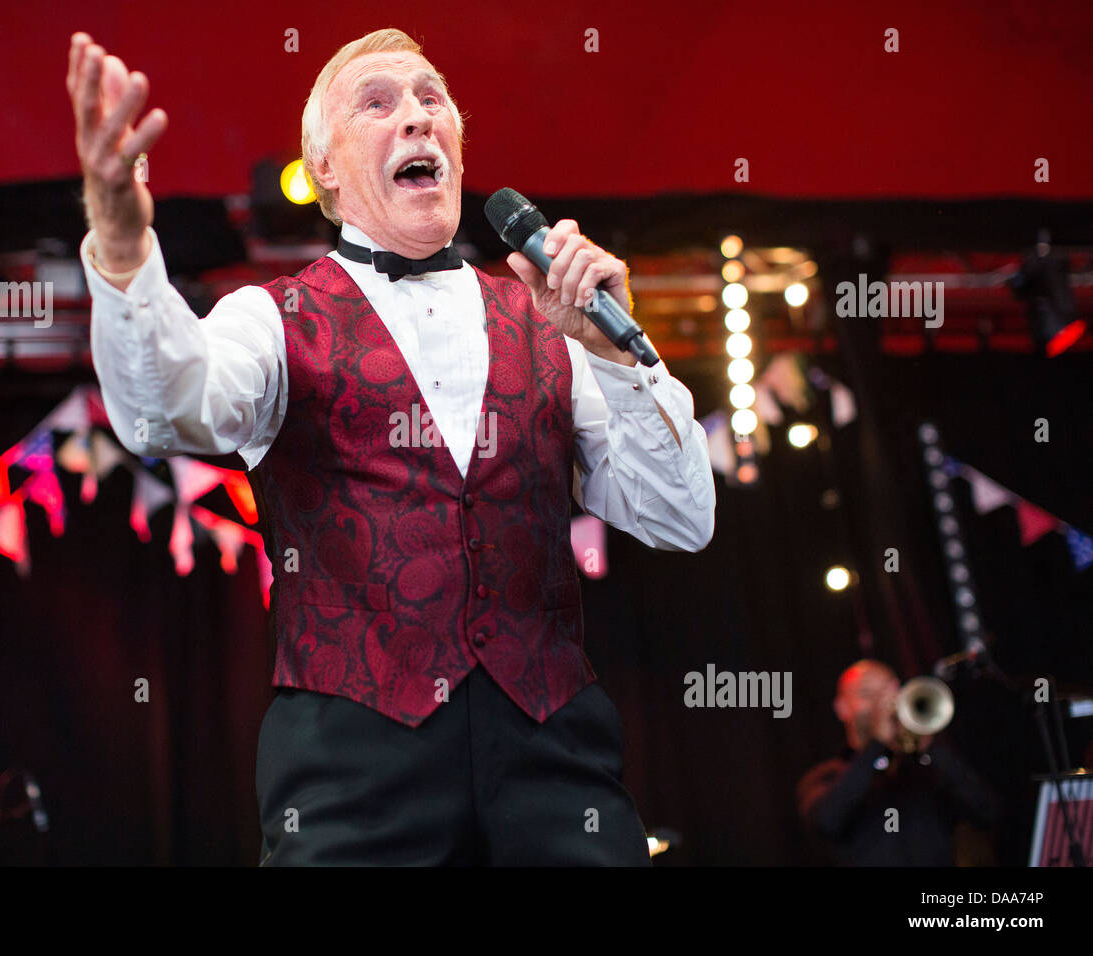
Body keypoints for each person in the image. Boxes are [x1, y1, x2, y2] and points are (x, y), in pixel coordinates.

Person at [66, 27, 715, 865]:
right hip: (353, 777)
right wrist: (122, 247)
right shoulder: (275, 318)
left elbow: (682, 517)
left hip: (556, 768)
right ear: (326, 170)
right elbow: (161, 413)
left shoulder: (552, 322)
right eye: (378, 103)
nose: (415, 117)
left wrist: (611, 353)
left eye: (430, 99)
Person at [797, 660, 1000, 866]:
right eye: (867, 694)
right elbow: (828, 822)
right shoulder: (826, 776)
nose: (882, 702)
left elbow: (986, 814)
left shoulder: (926, 769)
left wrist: (930, 747)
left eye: (888, 691)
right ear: (841, 708)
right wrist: (878, 744)